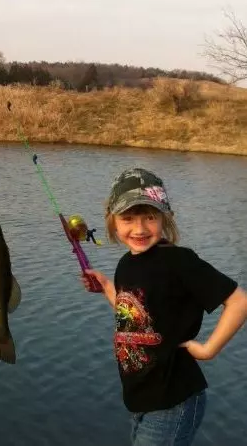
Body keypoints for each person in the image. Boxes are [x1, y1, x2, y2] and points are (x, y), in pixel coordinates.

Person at [81, 168, 247, 446]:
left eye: (150, 217)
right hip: (141, 397)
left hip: (174, 400)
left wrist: (208, 350)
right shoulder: (125, 264)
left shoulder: (179, 261)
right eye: (128, 218)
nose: (140, 228)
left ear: (164, 217)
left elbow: (239, 301)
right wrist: (108, 288)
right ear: (113, 221)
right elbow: (134, 318)